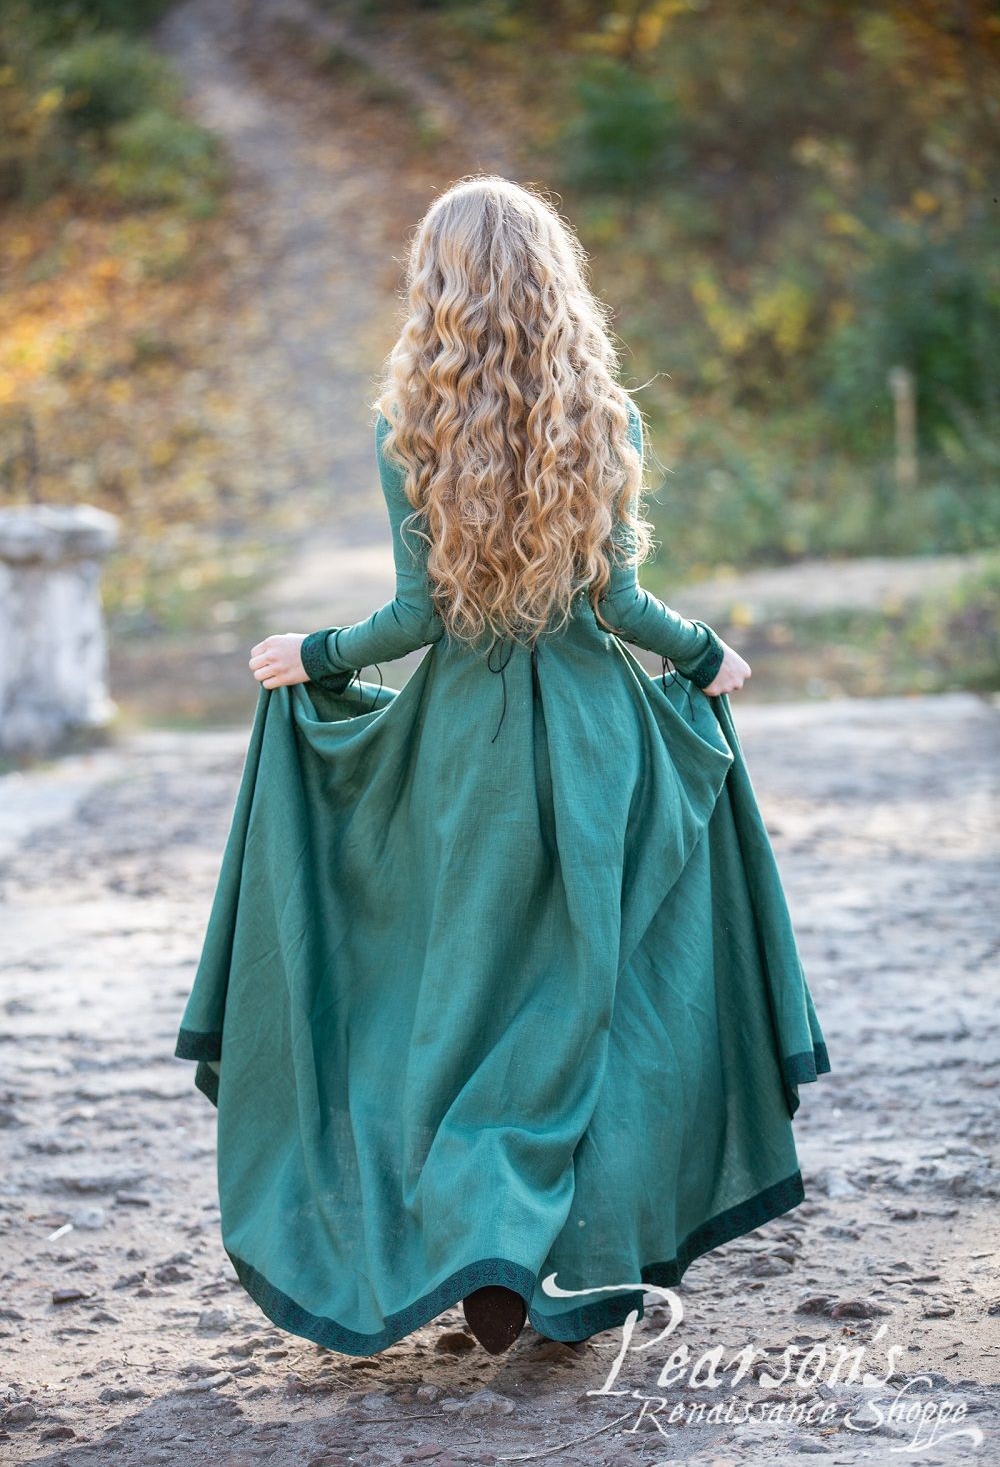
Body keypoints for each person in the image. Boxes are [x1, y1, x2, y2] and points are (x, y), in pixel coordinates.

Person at [174, 174, 830, 1358]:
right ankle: (575, 1250)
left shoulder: (407, 429)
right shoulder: (606, 416)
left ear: (438, 285)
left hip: (462, 760)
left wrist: (308, 654)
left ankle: (481, 1246)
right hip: (598, 751)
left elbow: (418, 617)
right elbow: (620, 601)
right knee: (592, 1008)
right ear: (555, 278)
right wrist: (706, 652)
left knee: (457, 1005)